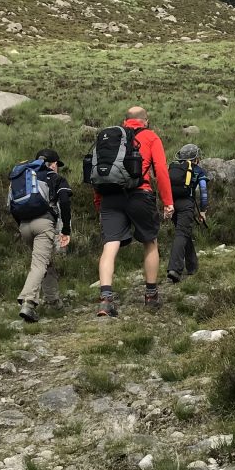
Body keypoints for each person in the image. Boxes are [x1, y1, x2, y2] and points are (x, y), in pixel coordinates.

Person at [87, 106, 171, 317]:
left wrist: (99, 202)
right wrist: (168, 201)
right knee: (150, 241)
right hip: (140, 194)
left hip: (110, 196)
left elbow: (98, 173)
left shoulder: (110, 139)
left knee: (110, 246)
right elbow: (160, 170)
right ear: (146, 120)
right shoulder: (151, 137)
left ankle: (106, 300)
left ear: (125, 121)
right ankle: (151, 295)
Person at [11, 148, 72, 323]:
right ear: (52, 164)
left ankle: (53, 301)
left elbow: (11, 204)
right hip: (44, 224)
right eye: (56, 164)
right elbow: (65, 201)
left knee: (45, 261)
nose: (57, 167)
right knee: (39, 264)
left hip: (24, 225)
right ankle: (28, 302)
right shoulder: (55, 178)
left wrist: (22, 225)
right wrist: (66, 229)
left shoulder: (24, 177)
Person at [166, 143, 209, 284]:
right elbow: (203, 192)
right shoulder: (198, 171)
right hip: (186, 205)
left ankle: (192, 266)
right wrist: (203, 211)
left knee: (184, 232)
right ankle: (175, 269)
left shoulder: (173, 168)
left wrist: (166, 205)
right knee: (182, 233)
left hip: (172, 203)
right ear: (195, 158)